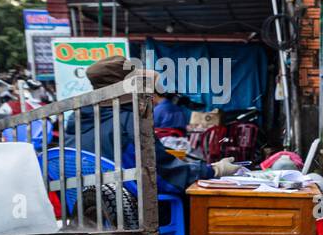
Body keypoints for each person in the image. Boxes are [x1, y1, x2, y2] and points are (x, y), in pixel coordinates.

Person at [80, 55, 239, 198]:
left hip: (93, 206)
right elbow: (163, 174)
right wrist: (214, 170)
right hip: (134, 207)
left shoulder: (80, 121)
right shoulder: (128, 123)